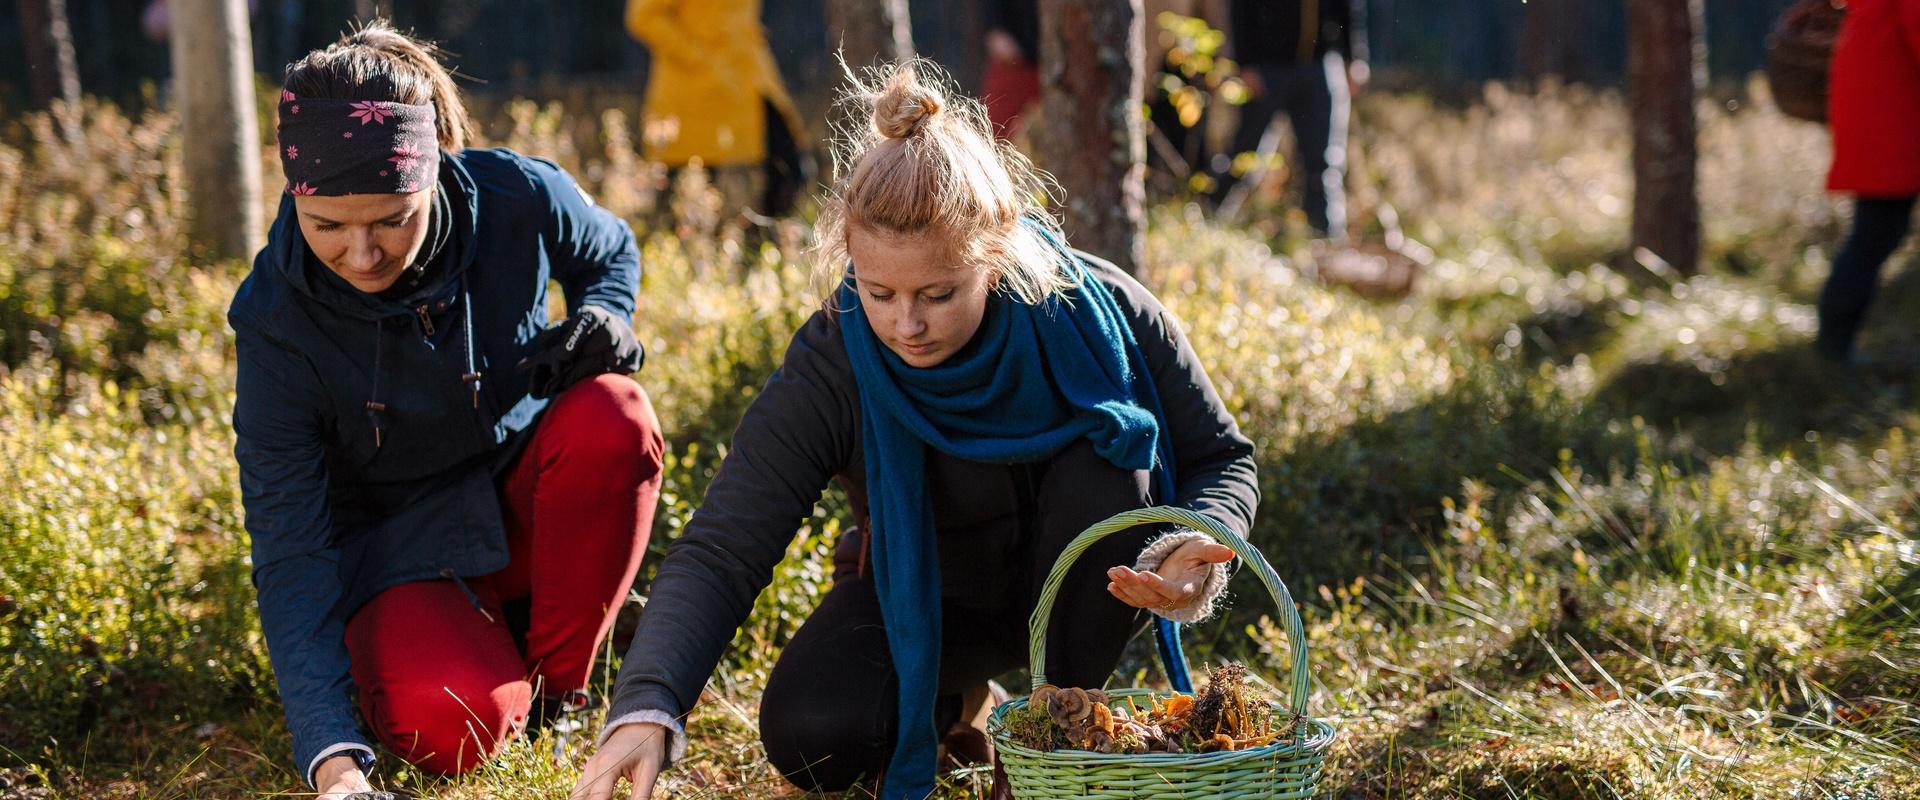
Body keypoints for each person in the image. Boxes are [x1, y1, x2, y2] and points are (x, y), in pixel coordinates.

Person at [573, 62, 1258, 800]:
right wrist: (646, 705)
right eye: (879, 292)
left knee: (1113, 454)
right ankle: (962, 703)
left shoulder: (1101, 312)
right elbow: (724, 545)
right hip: (928, 594)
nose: (907, 325)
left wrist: (1198, 541)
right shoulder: (837, 358)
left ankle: (1051, 740)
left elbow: (1221, 455)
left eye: (939, 293)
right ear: (850, 263)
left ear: (994, 256)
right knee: (813, 729)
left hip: (1082, 599)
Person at [229, 21, 664, 799]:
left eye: (393, 218)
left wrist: (608, 314)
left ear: (433, 173)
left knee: (615, 414)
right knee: (452, 723)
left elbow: (610, 252)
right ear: (295, 193)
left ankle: (562, 691)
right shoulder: (274, 324)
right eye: (328, 225)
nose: (362, 254)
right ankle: (485, 657)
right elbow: (289, 546)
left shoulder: (516, 197)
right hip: (396, 552)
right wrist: (335, 765)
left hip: (520, 501)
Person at [625, 0, 812, 218]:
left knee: (789, 165)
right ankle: (692, 243)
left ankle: (766, 238)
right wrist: (697, 56)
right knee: (685, 183)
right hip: (693, 88)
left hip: (749, 78)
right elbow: (644, 18)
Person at [1816, 0, 1920, 364]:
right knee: (1874, 236)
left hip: (1880, 120)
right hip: (1895, 125)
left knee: (1874, 235)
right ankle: (1833, 350)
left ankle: (1834, 348)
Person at [1216, 0, 1368, 239]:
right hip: (1267, 67)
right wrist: (1245, 63)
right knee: (1243, 156)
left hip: (1320, 66)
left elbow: (1348, 6)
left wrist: (1353, 57)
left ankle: (1326, 245)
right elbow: (1241, 7)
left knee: (1323, 164)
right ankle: (1207, 222)